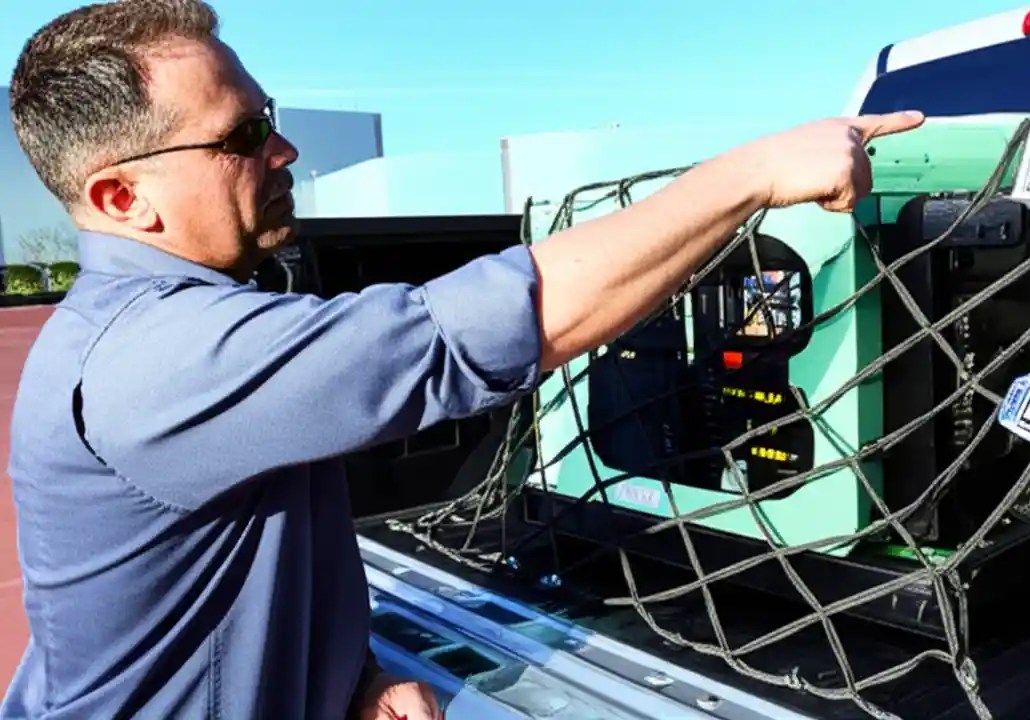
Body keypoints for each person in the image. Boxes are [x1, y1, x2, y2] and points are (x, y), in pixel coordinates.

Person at [1, 0, 924, 718]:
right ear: (122, 198)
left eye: (267, 116)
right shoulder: (152, 359)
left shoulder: (172, 327)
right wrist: (753, 174)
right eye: (243, 136)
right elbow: (456, 336)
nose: (283, 148)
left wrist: (352, 673)